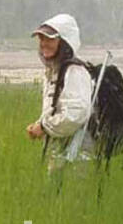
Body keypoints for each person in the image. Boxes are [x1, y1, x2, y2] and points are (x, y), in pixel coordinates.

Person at [26, 14, 93, 174]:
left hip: (78, 152)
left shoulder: (75, 71)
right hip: (61, 149)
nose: (43, 44)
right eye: (41, 39)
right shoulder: (54, 71)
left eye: (49, 39)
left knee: (73, 195)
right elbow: (55, 109)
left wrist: (43, 127)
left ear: (64, 42)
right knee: (54, 195)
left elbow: (76, 114)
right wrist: (39, 124)